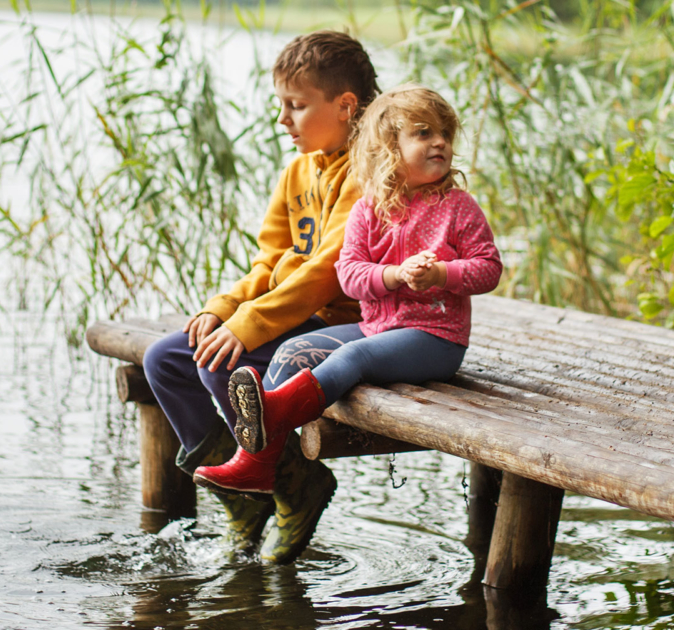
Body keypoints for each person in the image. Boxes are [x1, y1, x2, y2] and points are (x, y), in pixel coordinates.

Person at [193, 85, 502, 514]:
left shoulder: (458, 208)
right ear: (389, 149)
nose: (440, 143)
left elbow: (489, 269)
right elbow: (351, 277)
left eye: (445, 134)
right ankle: (256, 467)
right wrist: (393, 275)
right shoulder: (368, 210)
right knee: (293, 350)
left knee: (355, 357)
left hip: (434, 338)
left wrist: (441, 274)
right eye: (423, 133)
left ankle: (275, 413)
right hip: (376, 327)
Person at [141, 30, 378, 565]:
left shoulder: (368, 173)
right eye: (281, 106)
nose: (283, 121)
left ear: (345, 106)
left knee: (226, 360)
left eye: (296, 106)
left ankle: (294, 485)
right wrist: (222, 309)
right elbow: (270, 261)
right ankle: (244, 498)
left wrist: (246, 328)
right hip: (298, 313)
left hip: (350, 320)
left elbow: (327, 272)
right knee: (166, 359)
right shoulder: (298, 170)